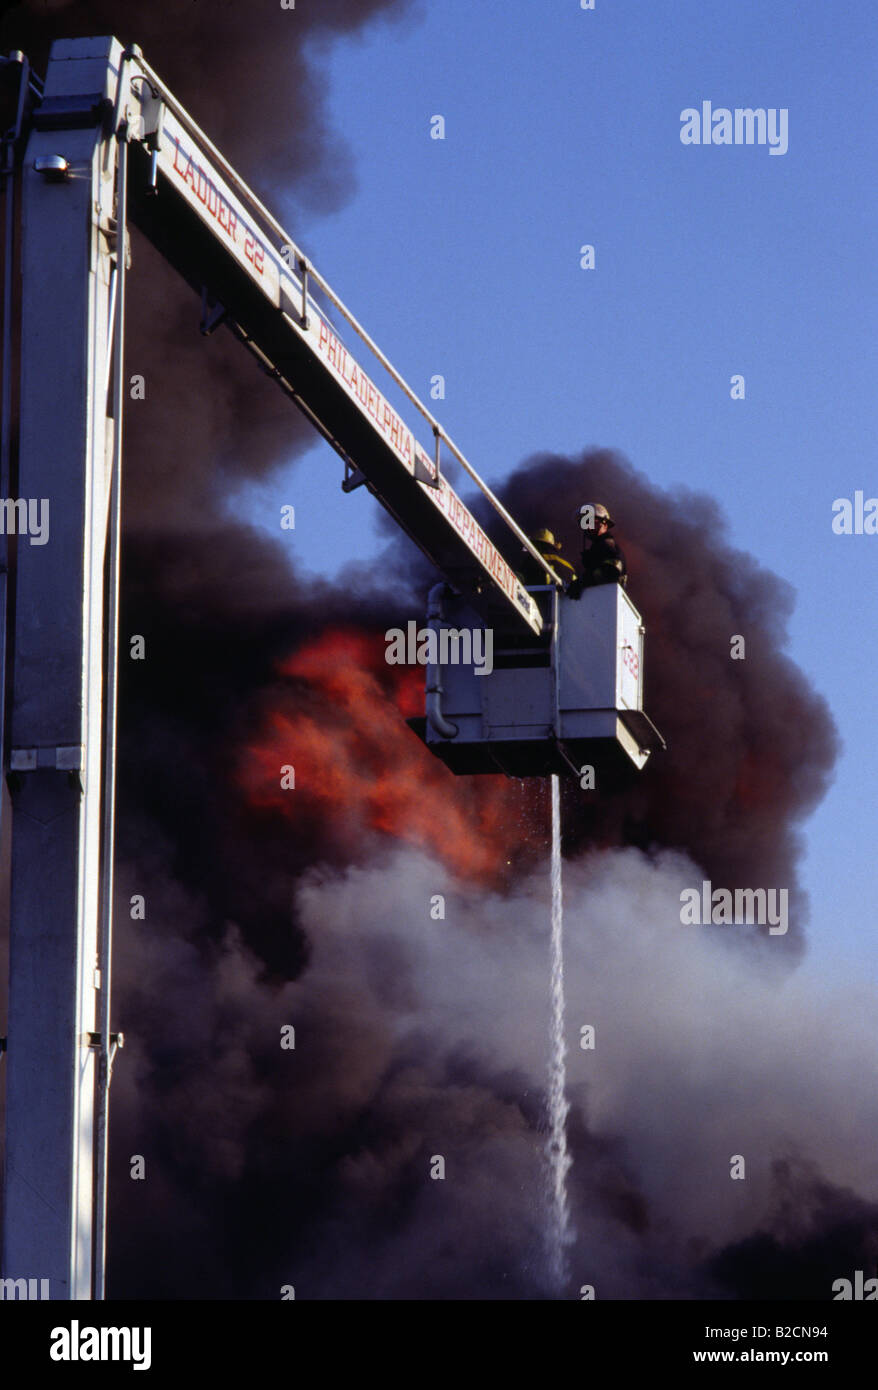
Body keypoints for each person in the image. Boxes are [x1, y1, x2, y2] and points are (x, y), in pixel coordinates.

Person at [568, 503, 627, 595]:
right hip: (599, 597)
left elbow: (612, 571)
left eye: (590, 521)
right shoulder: (598, 547)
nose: (587, 526)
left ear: (604, 524)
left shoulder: (607, 545)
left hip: (606, 597)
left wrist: (583, 581)